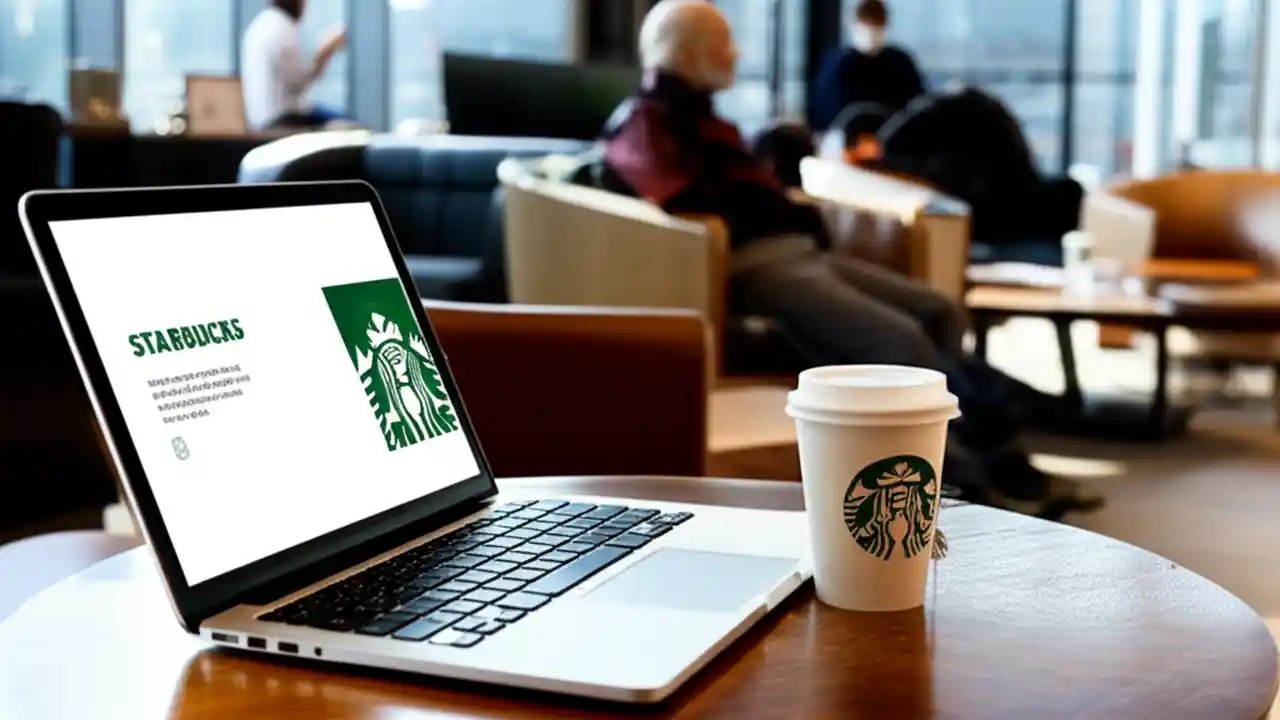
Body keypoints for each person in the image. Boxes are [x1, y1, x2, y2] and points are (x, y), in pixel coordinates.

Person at [602, 0, 1100, 518]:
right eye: (723, 43)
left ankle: (998, 459)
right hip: (758, 264)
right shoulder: (647, 122)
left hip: (802, 250)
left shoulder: (705, 118)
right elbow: (678, 198)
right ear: (685, 53)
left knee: (941, 310)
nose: (736, 54)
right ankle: (970, 489)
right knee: (900, 342)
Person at [811, 0, 926, 131]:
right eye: (866, 21)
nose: (872, 28)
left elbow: (917, 106)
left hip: (894, 137)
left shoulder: (900, 62)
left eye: (877, 22)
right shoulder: (839, 64)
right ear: (852, 23)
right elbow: (825, 112)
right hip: (847, 138)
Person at [241, 0, 348, 131]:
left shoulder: (263, 23)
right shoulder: (281, 28)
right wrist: (325, 51)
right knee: (352, 127)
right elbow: (297, 84)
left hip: (261, 118)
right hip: (283, 118)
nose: (306, 5)